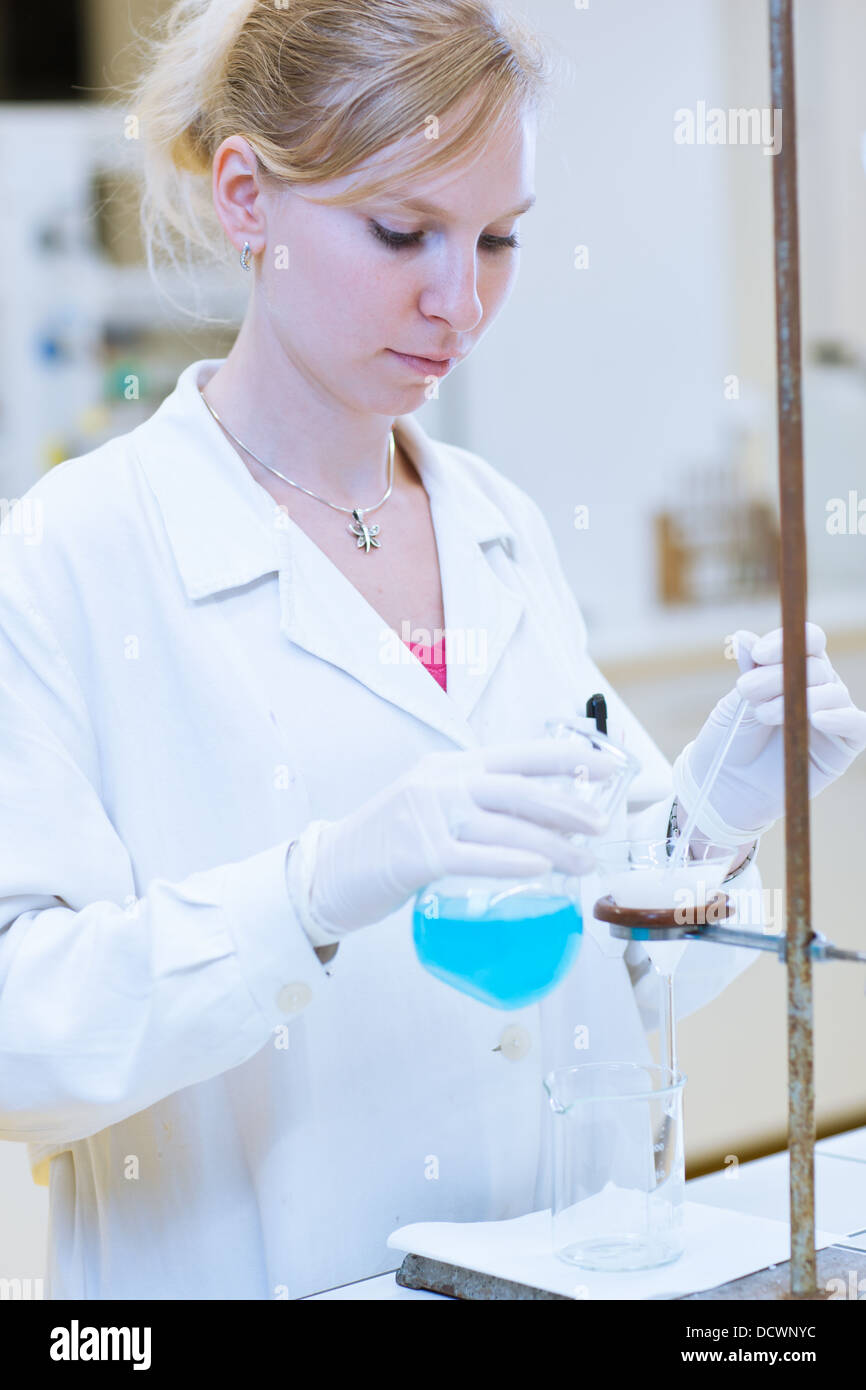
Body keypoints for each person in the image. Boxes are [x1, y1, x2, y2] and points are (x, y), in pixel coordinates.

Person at [0, 0, 863, 1302]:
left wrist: (713, 809)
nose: (458, 300)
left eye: (498, 239)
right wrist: (313, 888)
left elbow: (612, 952)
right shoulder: (72, 554)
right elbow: (22, 1043)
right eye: (401, 231)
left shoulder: (496, 525)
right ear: (247, 198)